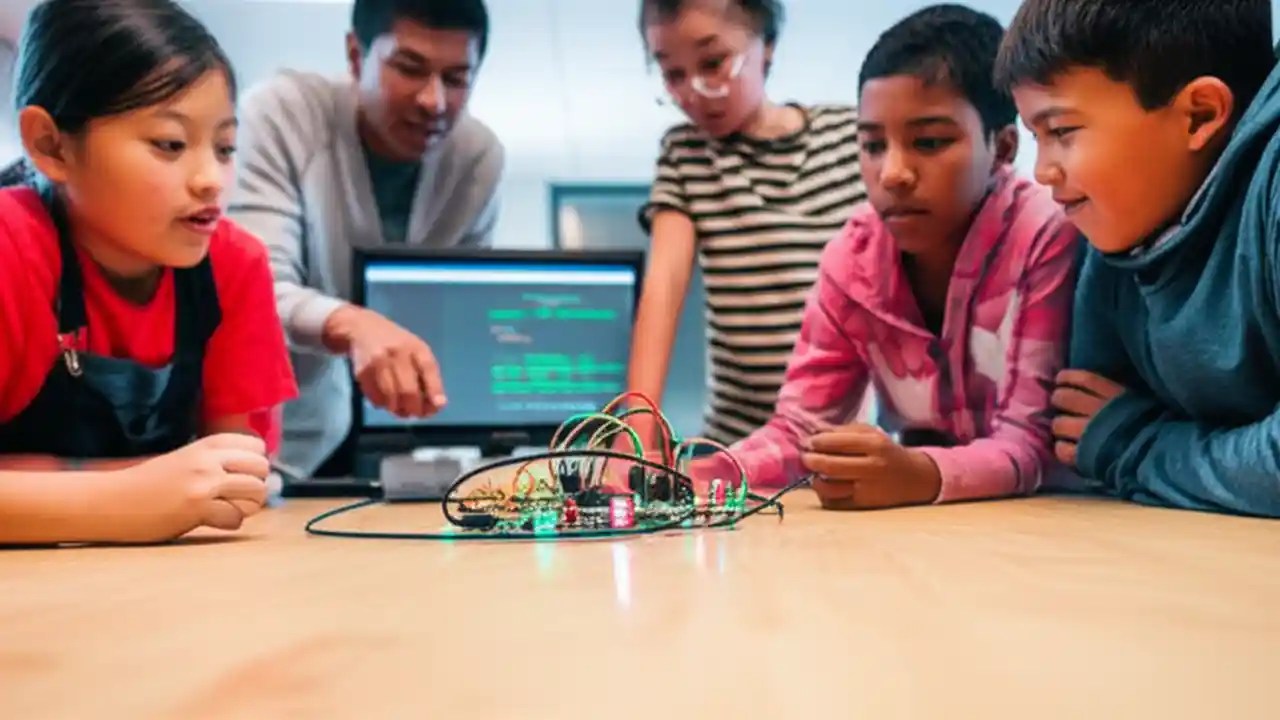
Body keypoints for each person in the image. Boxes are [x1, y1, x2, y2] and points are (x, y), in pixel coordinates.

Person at [693, 4, 1079, 510]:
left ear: (1003, 148)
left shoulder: (1047, 236)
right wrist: (693, 476)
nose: (893, 172)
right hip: (922, 535)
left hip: (1056, 527)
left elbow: (1031, 443)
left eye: (929, 141)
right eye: (873, 145)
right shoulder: (850, 263)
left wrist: (918, 473)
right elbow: (800, 431)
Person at [0, 0, 297, 543]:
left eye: (226, 147)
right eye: (170, 144)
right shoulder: (10, 249)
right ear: (50, 145)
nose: (212, 179)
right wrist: (129, 498)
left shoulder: (233, 266)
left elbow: (237, 483)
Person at [995, 0, 1280, 517]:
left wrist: (1141, 448)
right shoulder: (1124, 215)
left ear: (1199, 115)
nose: (1042, 172)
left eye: (1062, 132)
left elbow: (1115, 440)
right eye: (1036, 138)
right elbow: (1086, 426)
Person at [228, 0, 503, 477]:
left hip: (402, 437)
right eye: (410, 69)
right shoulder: (282, 113)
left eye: (457, 79)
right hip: (279, 432)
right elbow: (254, 287)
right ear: (356, 56)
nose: (433, 101)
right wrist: (353, 324)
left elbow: (461, 311)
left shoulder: (478, 159)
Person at [628, 0, 866, 448]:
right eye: (673, 74)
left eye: (713, 63)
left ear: (767, 45)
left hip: (842, 439)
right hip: (734, 445)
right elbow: (663, 287)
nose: (694, 92)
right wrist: (637, 429)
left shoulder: (849, 137)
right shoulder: (687, 154)